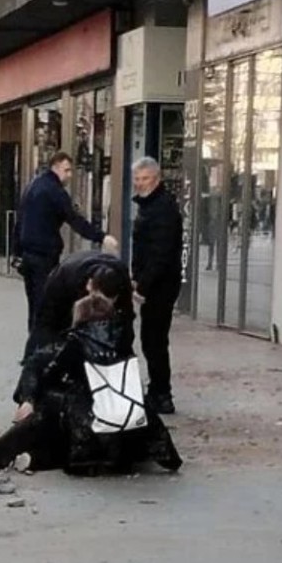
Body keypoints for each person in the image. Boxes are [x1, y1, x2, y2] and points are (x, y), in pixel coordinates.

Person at [0, 294, 181, 481]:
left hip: (91, 430)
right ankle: (34, 459)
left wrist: (30, 399)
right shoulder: (123, 343)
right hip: (130, 434)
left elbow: (50, 375)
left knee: (51, 407)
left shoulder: (77, 342)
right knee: (73, 411)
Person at [15, 151, 118, 355]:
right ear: (55, 168)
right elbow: (75, 219)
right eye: (67, 170)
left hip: (28, 256)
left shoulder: (33, 186)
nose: (70, 175)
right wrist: (101, 237)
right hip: (44, 256)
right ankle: (39, 352)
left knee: (35, 304)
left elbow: (19, 221)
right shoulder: (55, 191)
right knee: (45, 306)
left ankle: (34, 349)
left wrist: (16, 253)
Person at [15, 249, 134, 404]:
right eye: (98, 299)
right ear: (90, 285)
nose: (101, 305)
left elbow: (126, 322)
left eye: (108, 301)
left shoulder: (121, 279)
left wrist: (123, 359)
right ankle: (33, 397)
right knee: (54, 347)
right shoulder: (64, 278)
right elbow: (45, 324)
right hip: (63, 290)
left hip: (88, 281)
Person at [130, 157, 184, 415]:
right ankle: (157, 389)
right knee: (151, 339)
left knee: (154, 340)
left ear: (157, 179)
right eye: (137, 179)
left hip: (161, 285)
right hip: (153, 282)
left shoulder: (162, 209)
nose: (140, 184)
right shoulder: (149, 206)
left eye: (145, 179)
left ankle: (162, 393)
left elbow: (160, 254)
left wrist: (143, 286)